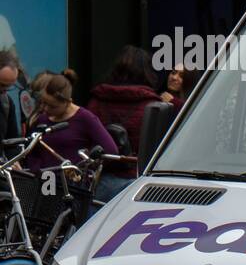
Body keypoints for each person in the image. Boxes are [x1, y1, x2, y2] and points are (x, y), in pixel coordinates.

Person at [25, 71, 119, 180]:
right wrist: (36, 170)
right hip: (45, 183)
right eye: (43, 103)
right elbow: (32, 152)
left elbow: (111, 149)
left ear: (68, 102)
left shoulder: (86, 118)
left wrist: (85, 168)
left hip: (74, 185)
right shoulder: (41, 119)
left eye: (52, 106)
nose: (45, 109)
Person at [87, 45, 161, 179]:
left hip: (100, 177)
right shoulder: (152, 106)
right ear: (147, 71)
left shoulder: (96, 101)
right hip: (137, 177)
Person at [0, 49, 33, 143]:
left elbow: (12, 143)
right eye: (2, 85)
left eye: (9, 86)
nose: (4, 90)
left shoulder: (6, 102)